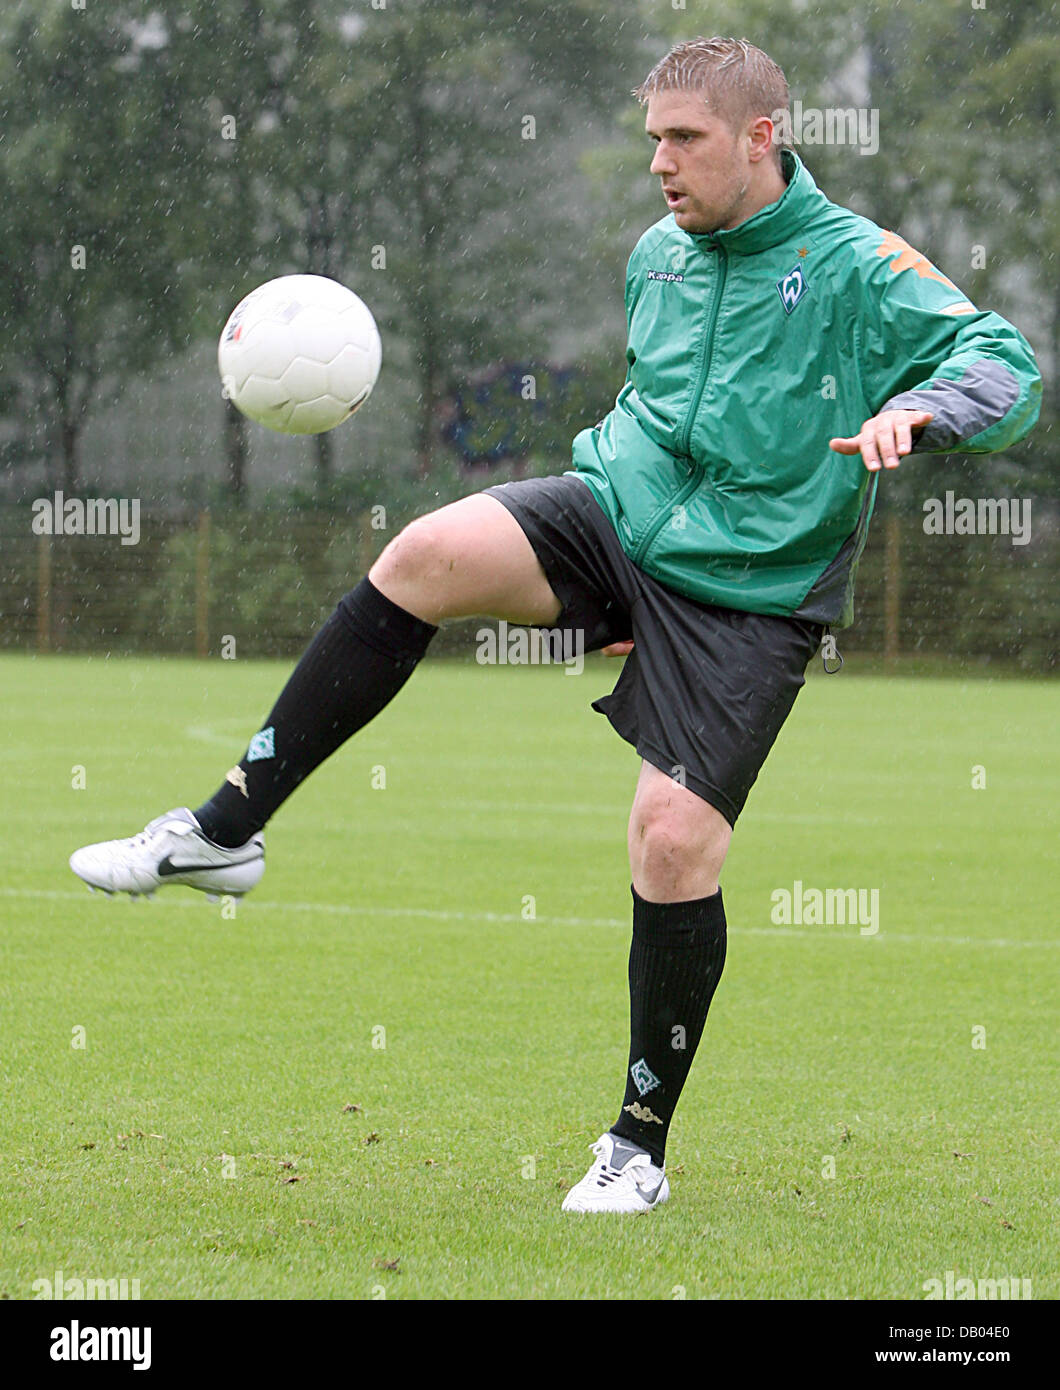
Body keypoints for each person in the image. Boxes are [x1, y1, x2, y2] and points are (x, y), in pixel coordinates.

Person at [69, 37, 1041, 1214]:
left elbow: (1003, 360)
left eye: (683, 140)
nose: (659, 165)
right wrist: (615, 575)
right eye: (651, 141)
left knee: (671, 845)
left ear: (760, 138)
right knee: (421, 554)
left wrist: (924, 407)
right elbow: (663, 403)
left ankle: (637, 1144)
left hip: (750, 587)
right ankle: (225, 830)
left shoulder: (852, 265)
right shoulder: (657, 257)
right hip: (620, 511)